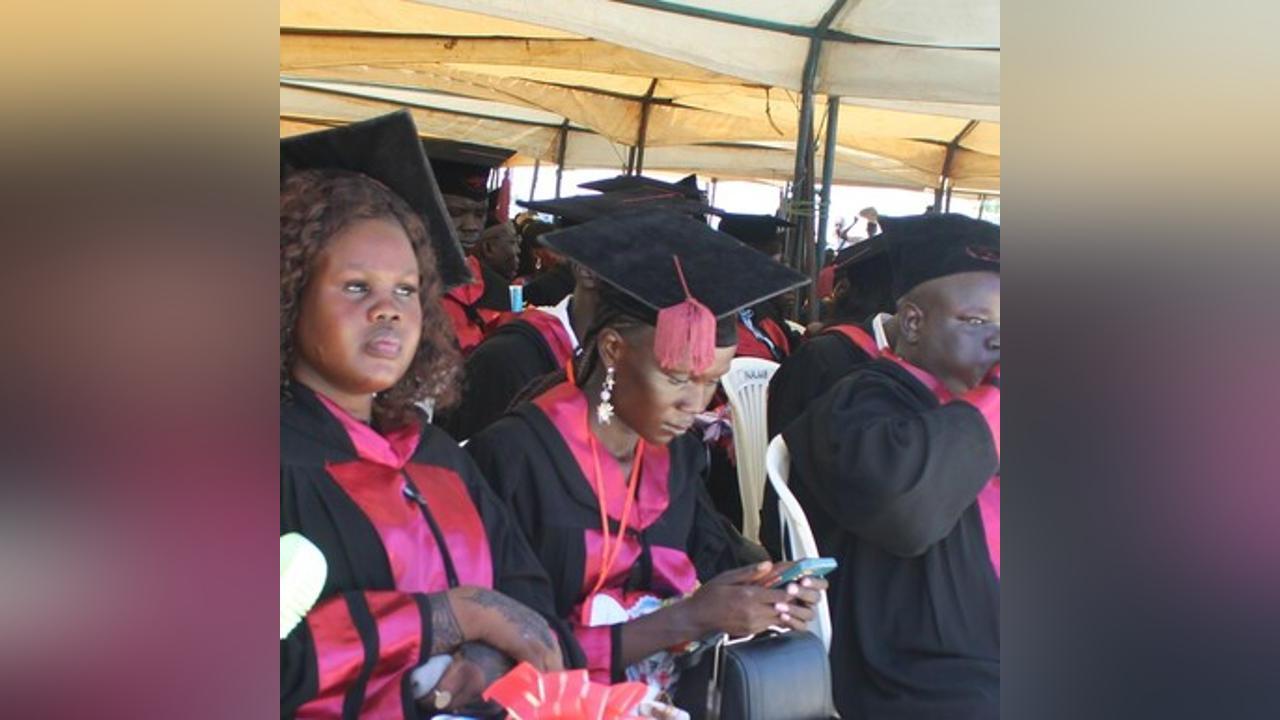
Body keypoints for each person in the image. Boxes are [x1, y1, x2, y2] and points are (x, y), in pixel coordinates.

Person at [279, 112, 574, 719]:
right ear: (286, 296)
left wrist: (489, 658)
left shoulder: (435, 454)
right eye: (356, 287)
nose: (388, 310)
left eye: (407, 290)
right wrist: (448, 616)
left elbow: (528, 600)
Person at [465, 210, 827, 703]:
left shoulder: (677, 458)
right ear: (613, 349)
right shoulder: (515, 458)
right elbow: (513, 645)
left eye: (711, 381)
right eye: (677, 377)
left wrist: (763, 590)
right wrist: (687, 618)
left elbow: (715, 560)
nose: (695, 404)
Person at [782, 213, 1001, 719]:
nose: (998, 340)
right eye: (976, 321)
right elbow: (906, 512)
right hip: (924, 669)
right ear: (913, 323)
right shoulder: (858, 402)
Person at [423, 140, 517, 354]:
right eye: (456, 213)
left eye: (480, 214)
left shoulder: (499, 289)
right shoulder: (402, 282)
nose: (472, 226)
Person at [715, 213, 801, 362]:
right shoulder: (712, 314)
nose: (779, 271)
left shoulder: (763, 308)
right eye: (773, 262)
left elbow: (795, 348)